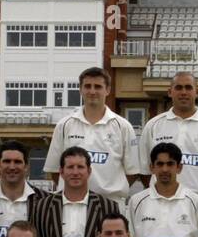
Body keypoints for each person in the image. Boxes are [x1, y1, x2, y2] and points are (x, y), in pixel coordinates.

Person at [44, 66, 141, 205]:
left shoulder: (123, 126)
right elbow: (55, 170)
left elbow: (132, 173)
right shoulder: (64, 125)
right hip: (72, 204)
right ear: (80, 89)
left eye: (98, 86)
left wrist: (109, 190)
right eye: (87, 86)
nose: (92, 91)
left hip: (110, 204)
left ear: (107, 90)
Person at [139, 71, 198, 200]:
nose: (184, 92)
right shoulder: (153, 125)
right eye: (178, 87)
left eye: (188, 87)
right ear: (170, 92)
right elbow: (145, 171)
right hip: (160, 200)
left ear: (197, 92)